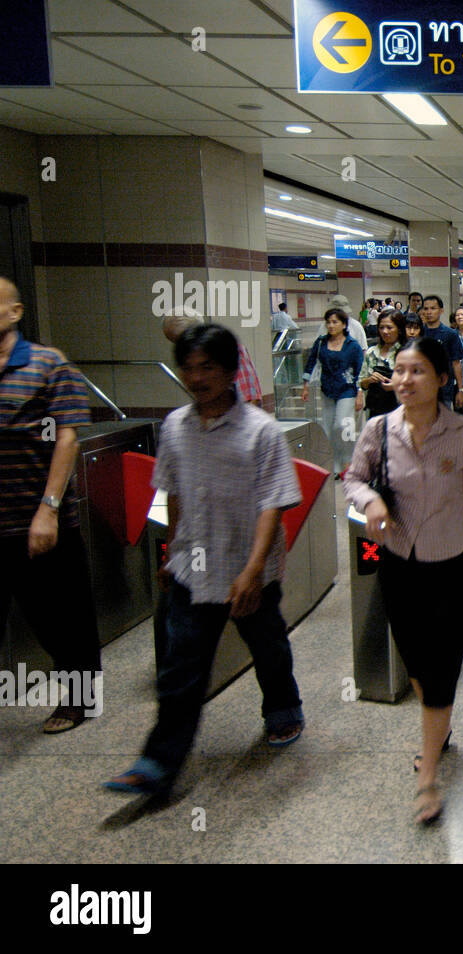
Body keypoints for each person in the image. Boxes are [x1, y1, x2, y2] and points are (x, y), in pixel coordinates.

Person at [105, 323, 304, 795]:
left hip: (247, 569)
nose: (197, 378)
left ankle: (283, 709)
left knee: (268, 648)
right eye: (189, 368)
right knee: (181, 669)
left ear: (232, 371)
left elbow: (272, 504)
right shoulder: (174, 426)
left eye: (208, 367)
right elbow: (173, 493)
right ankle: (158, 762)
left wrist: (255, 570)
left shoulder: (262, 432)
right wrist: (171, 550)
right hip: (193, 570)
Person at [344, 337, 463, 823]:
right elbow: (352, 477)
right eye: (401, 371)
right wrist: (370, 501)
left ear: (442, 379)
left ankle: (427, 777)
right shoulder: (377, 428)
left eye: (418, 372)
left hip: (450, 565)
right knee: (414, 659)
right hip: (398, 564)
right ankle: (440, 724)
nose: (405, 381)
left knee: (441, 667)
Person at [0, 276, 101, 734]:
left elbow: (68, 437)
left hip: (38, 517)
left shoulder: (48, 364)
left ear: (15, 312)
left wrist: (50, 508)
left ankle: (79, 699)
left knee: (60, 616)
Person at [301, 307, 364, 475]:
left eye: (335, 322)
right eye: (328, 322)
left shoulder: (353, 346)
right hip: (327, 388)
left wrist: (359, 393)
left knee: (343, 425)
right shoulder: (321, 342)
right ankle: (335, 466)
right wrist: (305, 385)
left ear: (344, 324)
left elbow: (360, 370)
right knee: (328, 428)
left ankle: (349, 460)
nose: (331, 325)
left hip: (347, 389)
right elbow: (311, 362)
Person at [416, 295, 463, 410]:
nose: (429, 312)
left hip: (444, 391)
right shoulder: (419, 333)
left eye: (433, 308)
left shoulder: (450, 334)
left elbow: (456, 363)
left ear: (441, 310)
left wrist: (460, 390)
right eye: (426, 309)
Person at [359, 310, 405, 418]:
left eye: (389, 328)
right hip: (376, 409)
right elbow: (362, 383)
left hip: (400, 409)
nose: (385, 331)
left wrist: (395, 385)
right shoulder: (371, 353)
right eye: (381, 328)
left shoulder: (407, 352)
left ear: (399, 329)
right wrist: (370, 380)